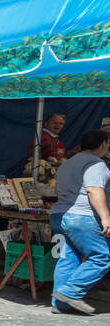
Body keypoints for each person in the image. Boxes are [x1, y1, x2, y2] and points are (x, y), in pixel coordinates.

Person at [48, 128, 110, 315]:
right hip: (81, 217)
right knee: (101, 257)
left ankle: (60, 304)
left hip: (59, 215)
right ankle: (69, 293)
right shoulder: (96, 164)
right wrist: (106, 216)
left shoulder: (67, 164)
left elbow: (58, 191)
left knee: (67, 257)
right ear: (103, 144)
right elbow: (93, 190)